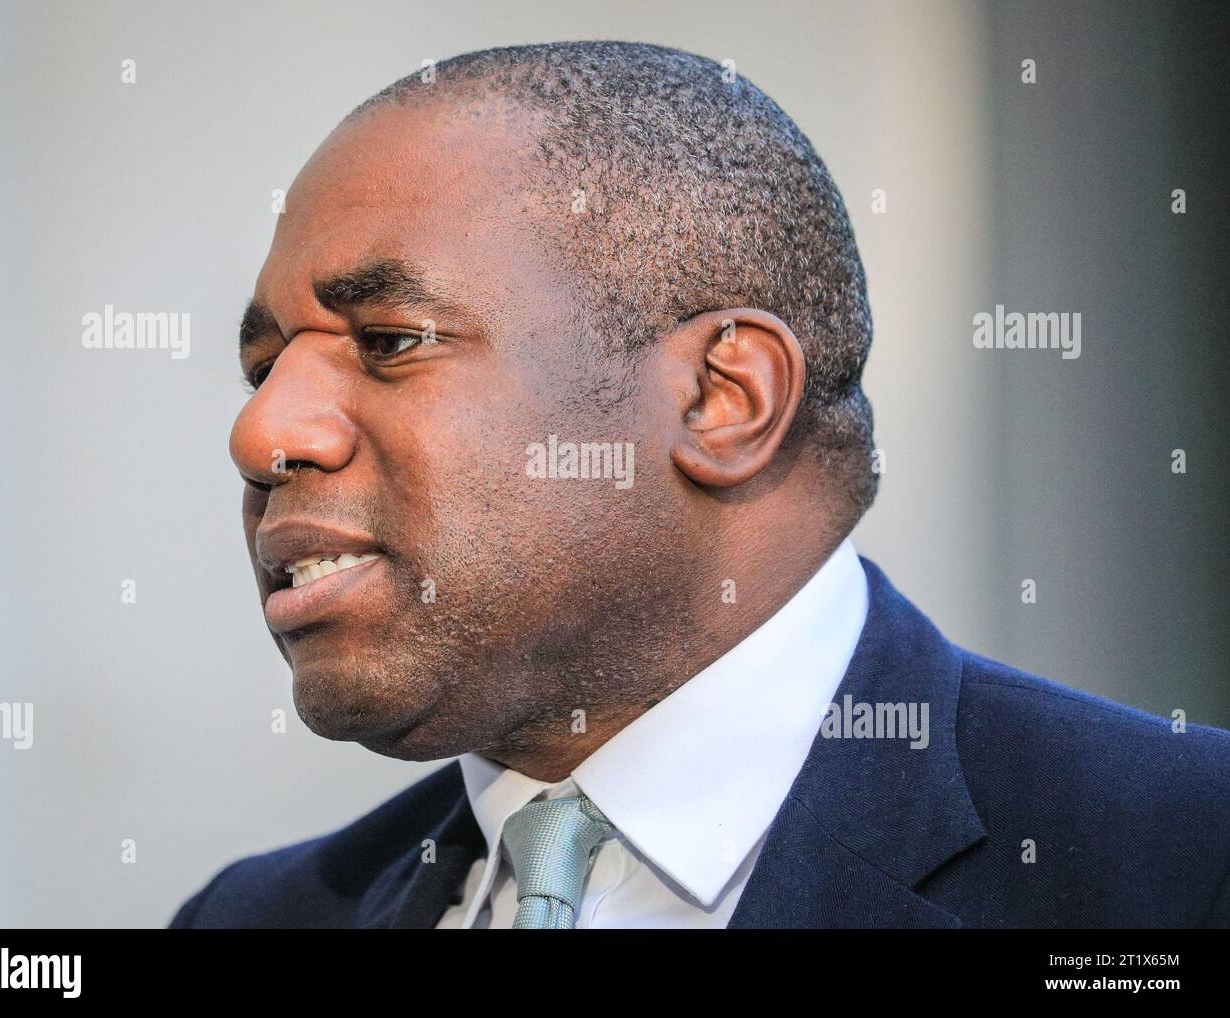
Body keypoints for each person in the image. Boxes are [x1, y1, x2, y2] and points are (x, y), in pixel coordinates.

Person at [169, 41, 1230, 929]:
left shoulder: (1179, 862)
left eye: (390, 340)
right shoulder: (255, 915)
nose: (262, 431)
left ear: (723, 397)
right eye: (265, 366)